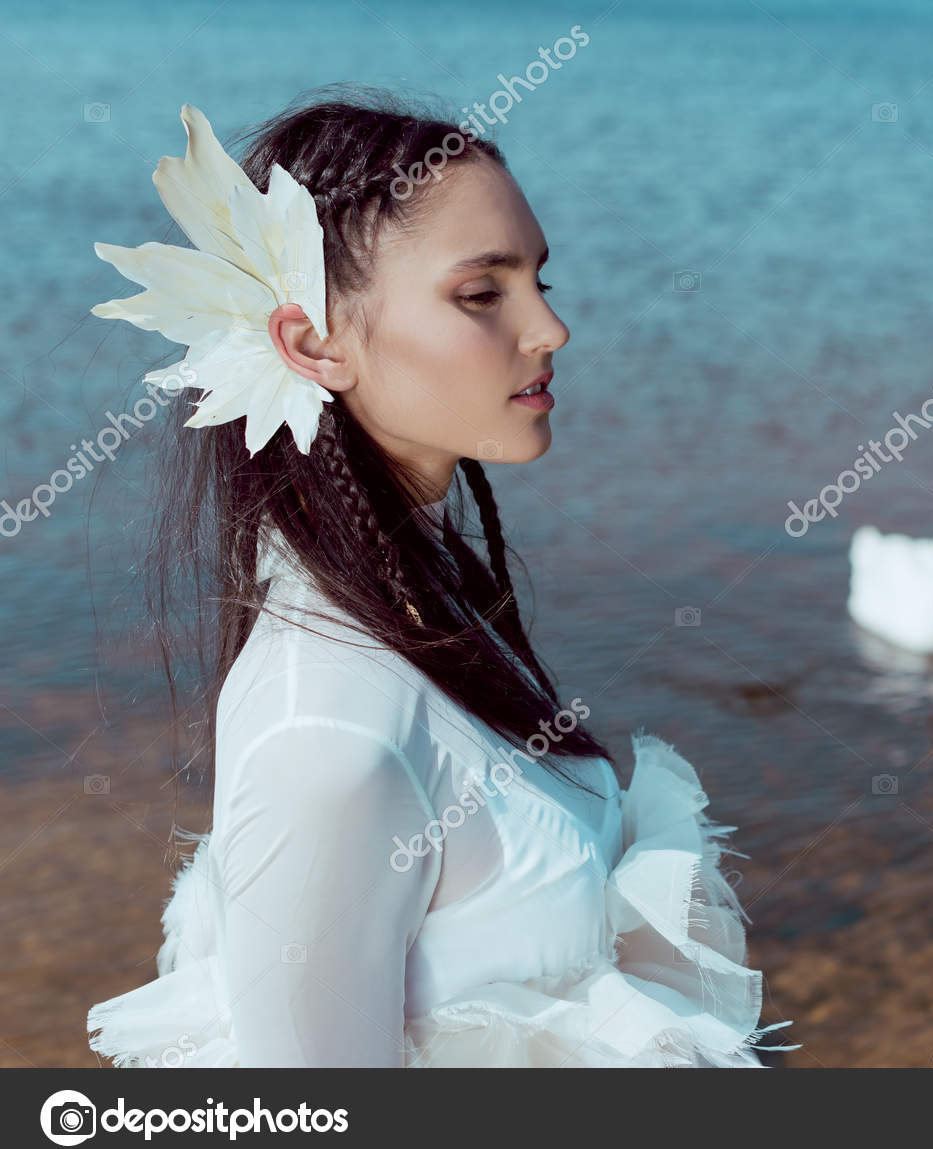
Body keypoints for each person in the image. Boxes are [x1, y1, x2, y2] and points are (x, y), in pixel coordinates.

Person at [84, 90, 795, 1067]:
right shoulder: (326, 738)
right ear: (312, 342)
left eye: (539, 280)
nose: (551, 330)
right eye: (482, 294)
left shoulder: (427, 596)